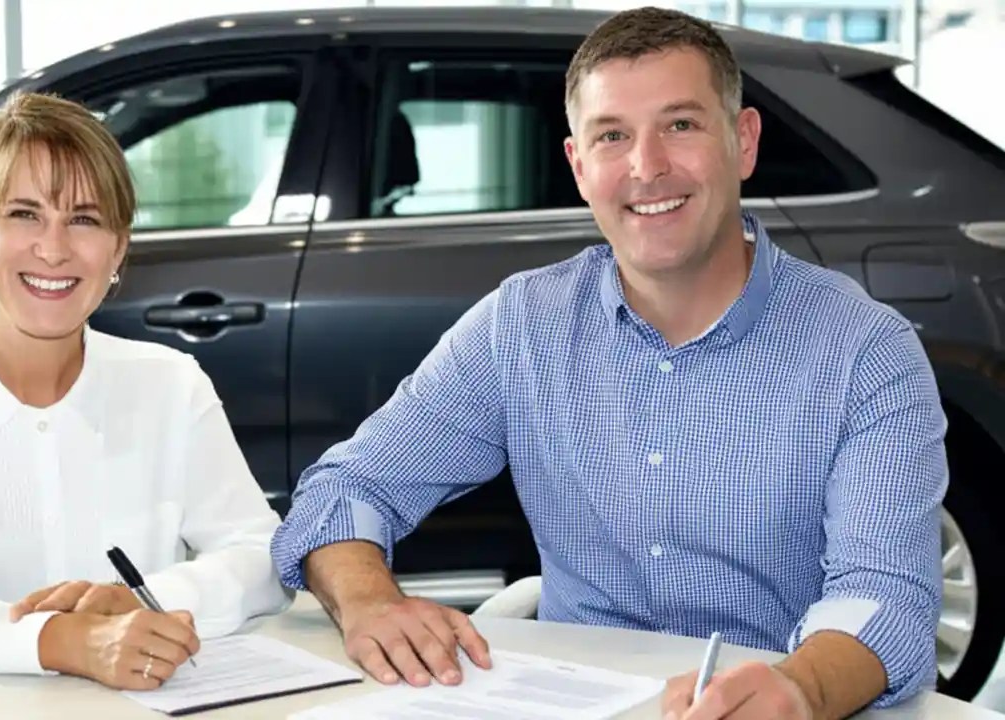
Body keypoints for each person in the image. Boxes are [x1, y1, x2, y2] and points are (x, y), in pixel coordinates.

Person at [270, 7, 947, 719]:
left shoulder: (866, 350)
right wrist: (371, 603)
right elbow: (344, 492)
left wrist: (802, 689)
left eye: (681, 125)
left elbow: (887, 597)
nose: (647, 167)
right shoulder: (522, 324)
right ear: (579, 166)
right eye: (613, 135)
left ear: (742, 142)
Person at [0, 91, 291, 690]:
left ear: (117, 249)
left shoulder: (171, 383)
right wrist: (55, 640)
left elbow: (263, 556)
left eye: (84, 219)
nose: (54, 247)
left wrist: (138, 602)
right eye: (24, 213)